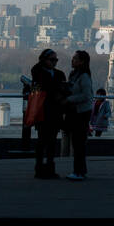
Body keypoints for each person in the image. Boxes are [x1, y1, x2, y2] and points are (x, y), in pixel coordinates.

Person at [30, 48, 66, 179]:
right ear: (44, 60)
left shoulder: (59, 74)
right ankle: (39, 169)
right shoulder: (38, 72)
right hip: (43, 112)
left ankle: (50, 168)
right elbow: (43, 87)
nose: (54, 62)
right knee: (42, 142)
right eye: (52, 60)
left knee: (51, 143)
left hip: (55, 112)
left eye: (56, 60)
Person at [63, 51, 94, 181]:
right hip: (76, 112)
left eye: (75, 58)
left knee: (78, 143)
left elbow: (86, 96)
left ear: (82, 62)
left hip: (81, 113)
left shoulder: (84, 76)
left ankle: (78, 172)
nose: (72, 60)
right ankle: (81, 170)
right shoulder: (74, 75)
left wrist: (69, 99)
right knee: (77, 143)